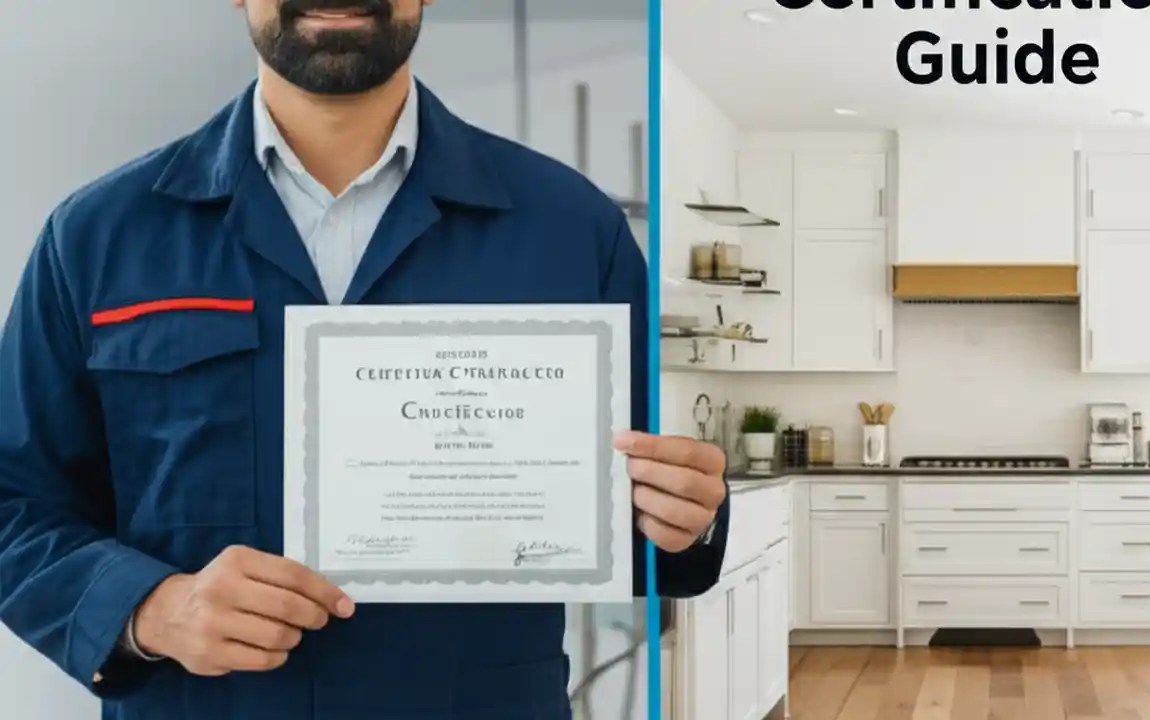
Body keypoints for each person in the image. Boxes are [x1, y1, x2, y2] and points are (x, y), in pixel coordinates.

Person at [0, 1, 730, 718]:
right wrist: (154, 609)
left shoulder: (571, 229)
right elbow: (14, 506)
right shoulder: (97, 238)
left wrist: (684, 518)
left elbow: (627, 529)